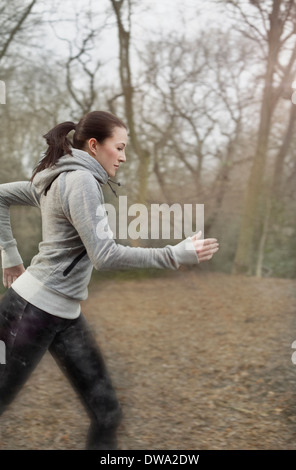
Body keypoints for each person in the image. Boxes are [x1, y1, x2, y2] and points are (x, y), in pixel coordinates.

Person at [0, 110, 219, 450]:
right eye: (118, 148)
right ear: (94, 145)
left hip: (64, 314)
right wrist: (174, 255)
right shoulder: (79, 181)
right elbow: (105, 255)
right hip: (29, 312)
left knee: (107, 412)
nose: (124, 156)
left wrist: (12, 259)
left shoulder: (58, 177)